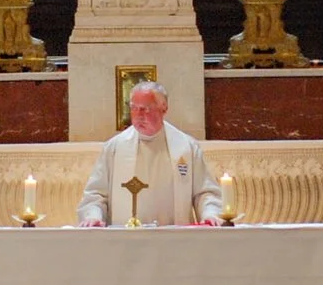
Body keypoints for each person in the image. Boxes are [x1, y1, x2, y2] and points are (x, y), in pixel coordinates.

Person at [78, 83, 222, 227]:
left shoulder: (187, 147)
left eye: (145, 109)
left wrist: (210, 214)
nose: (139, 115)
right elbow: (96, 195)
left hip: (174, 237)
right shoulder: (114, 148)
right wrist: (93, 216)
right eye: (134, 108)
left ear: (164, 108)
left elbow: (205, 193)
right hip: (125, 237)